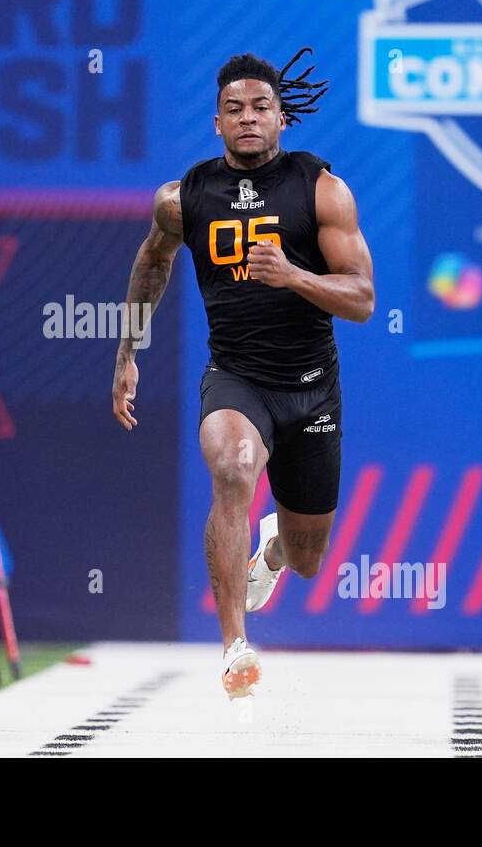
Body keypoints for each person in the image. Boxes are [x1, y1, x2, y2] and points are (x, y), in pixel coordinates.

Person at [112, 49, 375, 698]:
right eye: (235, 110)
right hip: (236, 377)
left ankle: (275, 550)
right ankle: (235, 647)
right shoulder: (183, 198)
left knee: (308, 556)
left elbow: (364, 299)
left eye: (260, 108)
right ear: (217, 122)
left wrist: (294, 275)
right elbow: (153, 264)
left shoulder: (322, 191)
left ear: (282, 117)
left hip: (311, 387)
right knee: (231, 465)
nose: (248, 119)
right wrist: (128, 352)